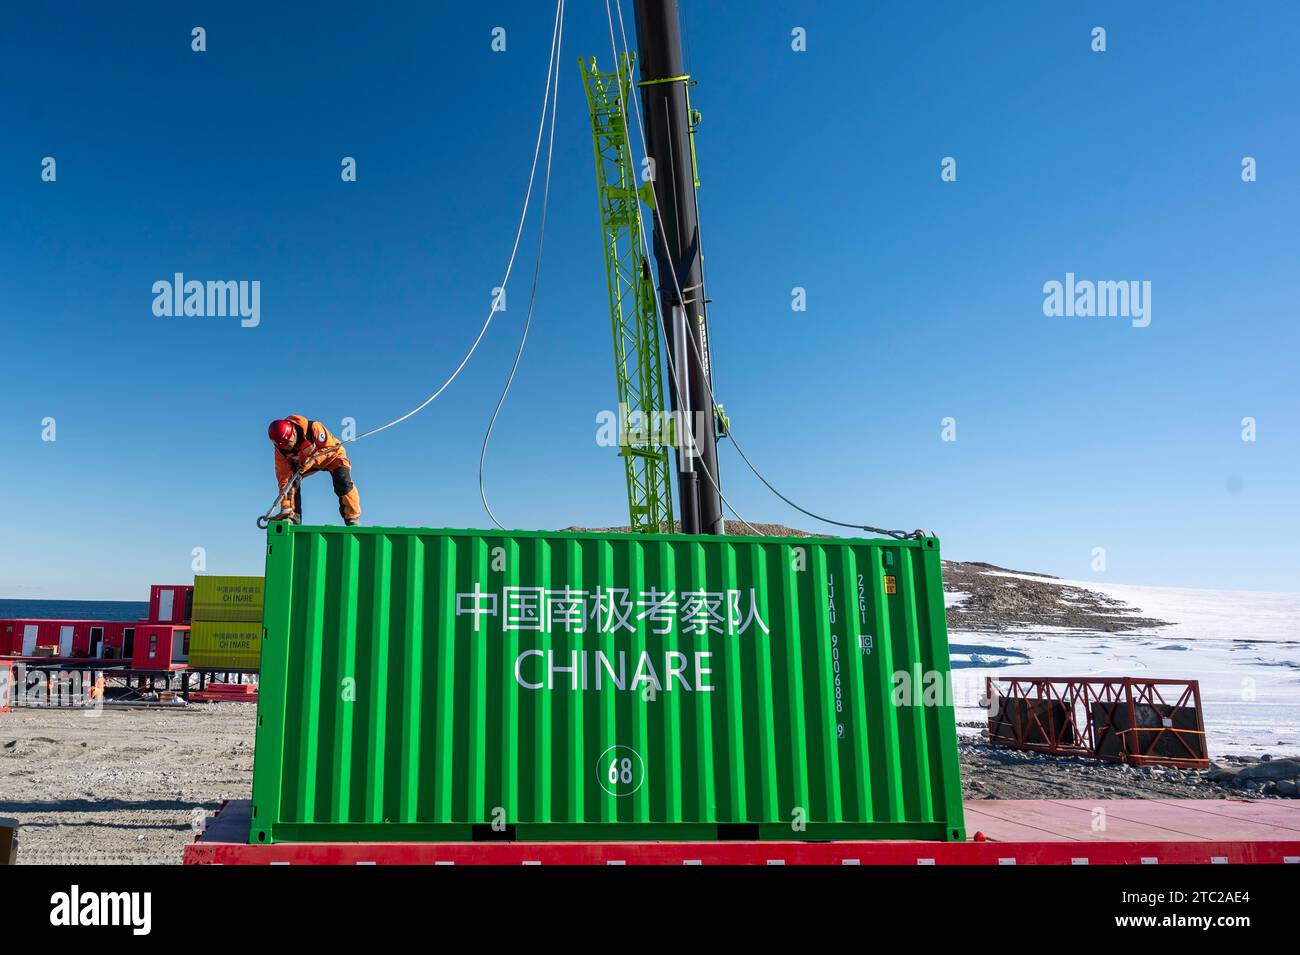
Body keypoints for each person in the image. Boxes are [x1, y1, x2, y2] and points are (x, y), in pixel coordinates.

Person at [267, 416, 361, 525]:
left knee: (343, 481)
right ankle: (291, 518)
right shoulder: (280, 452)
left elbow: (331, 448)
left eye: (288, 444)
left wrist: (311, 460)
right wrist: (285, 506)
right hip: (306, 464)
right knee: (290, 482)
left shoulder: (313, 428)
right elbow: (283, 479)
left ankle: (352, 518)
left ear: (293, 433)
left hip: (333, 456)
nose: (288, 448)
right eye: (283, 446)